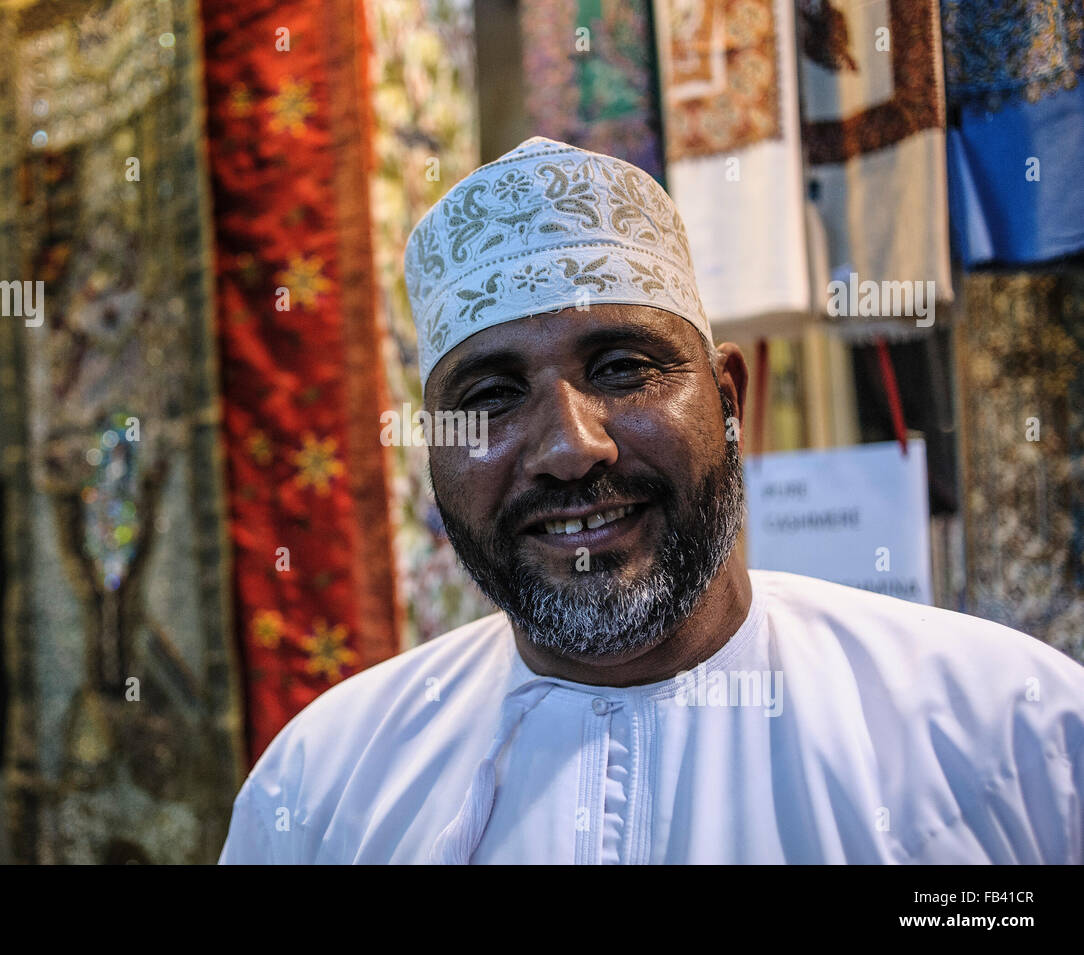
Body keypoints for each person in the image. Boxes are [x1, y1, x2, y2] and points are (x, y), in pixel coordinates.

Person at [219, 136, 1084, 864]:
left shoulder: (1010, 733)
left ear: (729, 400)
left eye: (623, 368)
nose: (571, 447)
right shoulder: (323, 786)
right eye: (488, 396)